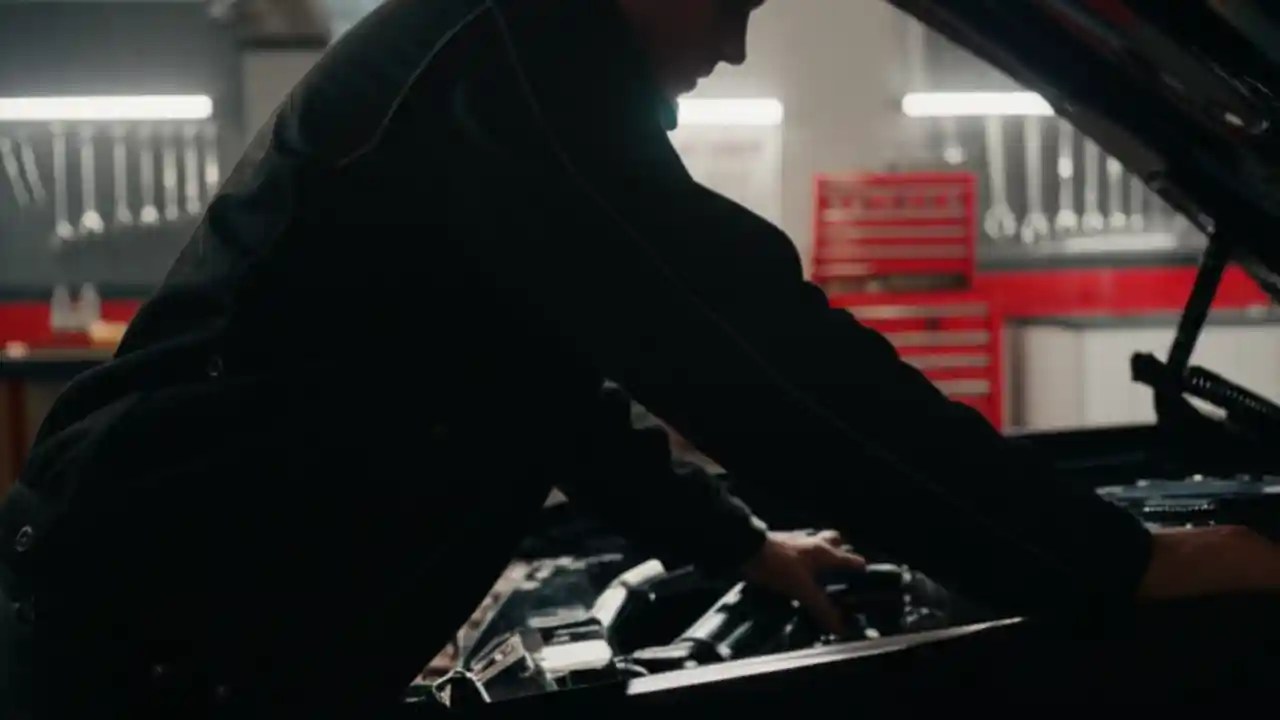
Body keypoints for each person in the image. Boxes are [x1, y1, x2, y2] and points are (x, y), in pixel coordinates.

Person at [4, 0, 1279, 715]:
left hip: (184, 626)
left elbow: (535, 381)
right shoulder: (508, 58)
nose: (730, 42)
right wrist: (1114, 564)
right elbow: (745, 351)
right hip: (138, 651)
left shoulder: (502, 63)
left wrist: (737, 546)